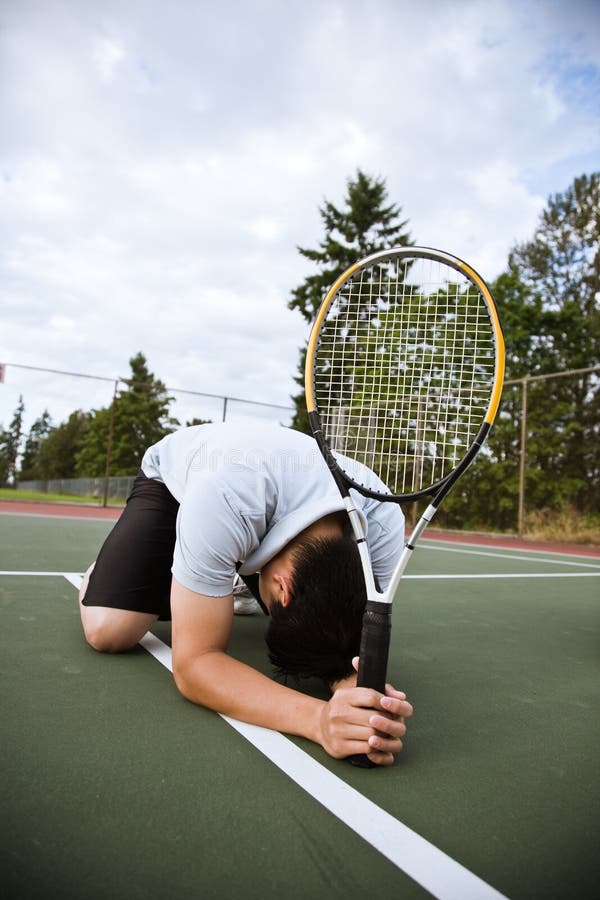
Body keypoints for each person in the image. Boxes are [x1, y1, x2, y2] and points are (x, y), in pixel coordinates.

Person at [79, 422, 412, 766]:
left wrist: (356, 697)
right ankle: (108, 573)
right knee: (110, 630)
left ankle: (216, 573)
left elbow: (348, 621)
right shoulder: (225, 495)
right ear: (282, 588)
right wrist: (317, 720)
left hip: (252, 509)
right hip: (179, 482)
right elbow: (194, 664)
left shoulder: (382, 519)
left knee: (312, 623)